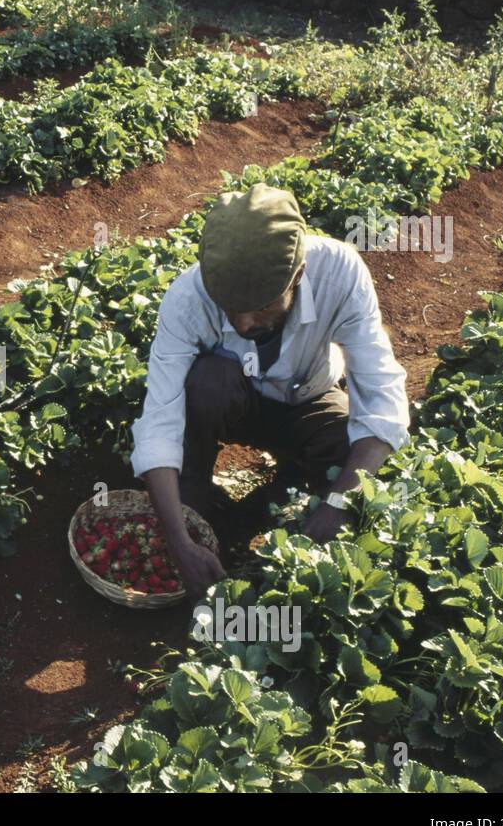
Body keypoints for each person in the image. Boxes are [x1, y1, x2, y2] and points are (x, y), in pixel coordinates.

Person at [130, 183, 409, 599]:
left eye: (261, 306)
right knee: (206, 384)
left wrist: (338, 502)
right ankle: (198, 506)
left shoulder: (340, 272)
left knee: (346, 449)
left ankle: (280, 496)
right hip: (235, 403)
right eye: (231, 309)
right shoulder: (188, 297)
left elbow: (382, 396)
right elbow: (159, 421)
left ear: (298, 275)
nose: (244, 324)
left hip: (309, 398)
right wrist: (177, 540)